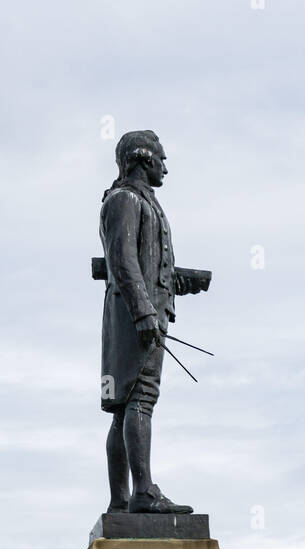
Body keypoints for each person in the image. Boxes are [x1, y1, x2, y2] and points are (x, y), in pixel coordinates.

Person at [99, 130, 205, 514]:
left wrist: (181, 280)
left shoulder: (137, 202)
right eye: (161, 159)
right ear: (144, 159)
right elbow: (123, 262)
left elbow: (143, 266)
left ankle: (122, 501)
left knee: (127, 404)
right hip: (136, 320)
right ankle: (140, 493)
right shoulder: (125, 200)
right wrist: (145, 312)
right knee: (137, 400)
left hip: (135, 317)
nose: (164, 168)